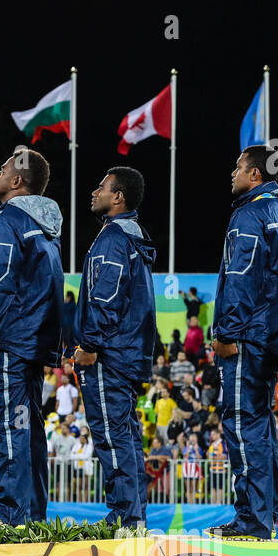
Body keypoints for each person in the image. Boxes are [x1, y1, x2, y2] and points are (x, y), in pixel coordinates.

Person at [205, 145, 278, 540]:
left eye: (238, 166)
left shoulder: (249, 214)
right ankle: (262, 515)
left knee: (242, 423)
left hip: (246, 335)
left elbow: (241, 277)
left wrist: (226, 332)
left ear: (256, 175)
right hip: (267, 336)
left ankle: (252, 519)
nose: (233, 173)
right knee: (259, 426)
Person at [0, 148, 63, 527]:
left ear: (18, 181)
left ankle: (10, 515)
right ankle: (33, 515)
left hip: (7, 343)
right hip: (34, 345)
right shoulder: (45, 226)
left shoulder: (8, 220)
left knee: (9, 425)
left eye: (4, 168)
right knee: (27, 430)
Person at [71, 166, 156, 529]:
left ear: (118, 197)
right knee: (124, 434)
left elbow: (105, 297)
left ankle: (124, 516)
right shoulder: (131, 238)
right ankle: (133, 516)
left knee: (111, 434)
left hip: (109, 353)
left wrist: (89, 344)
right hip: (127, 352)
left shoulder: (113, 239)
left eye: (102, 187)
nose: (95, 192)